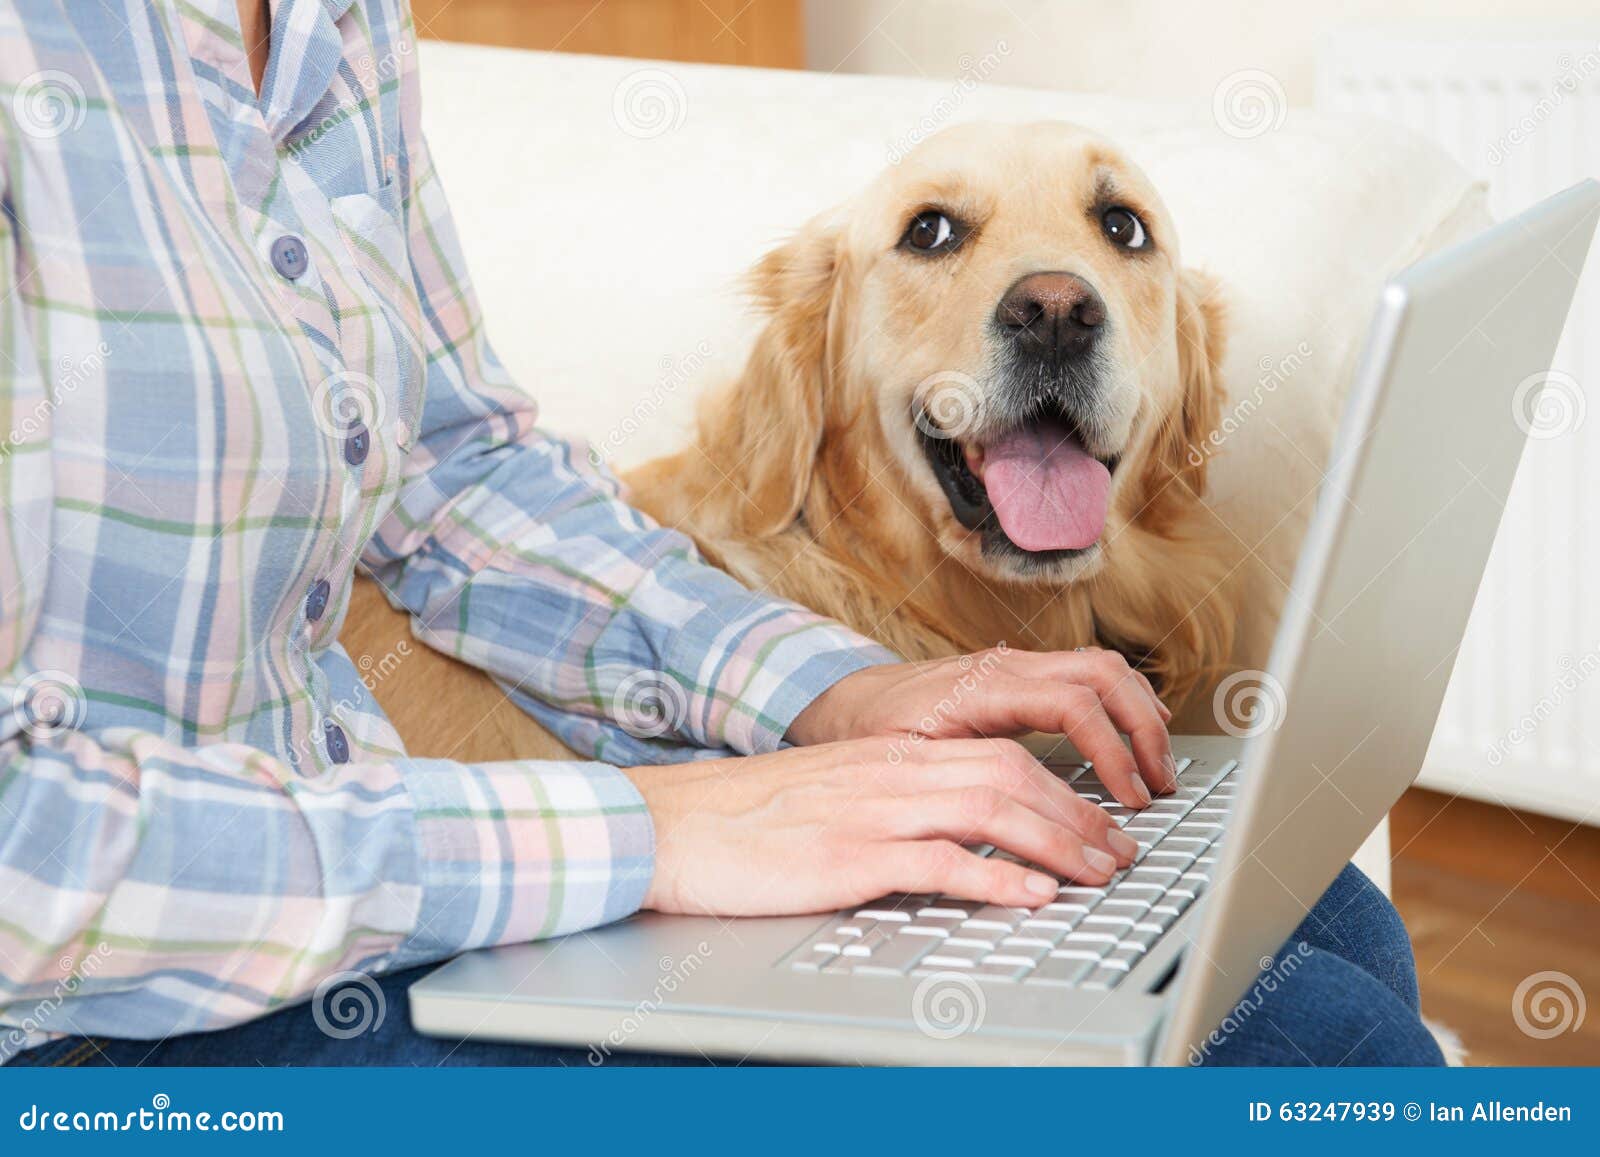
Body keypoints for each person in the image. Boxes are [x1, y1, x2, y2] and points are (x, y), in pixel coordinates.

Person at [0, 0, 1441, 1067]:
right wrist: (656, 830)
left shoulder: (334, 25)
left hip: (353, 890)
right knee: (1302, 1043)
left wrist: (829, 690)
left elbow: (454, 467)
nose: (1047, 294)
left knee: (1326, 931)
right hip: (100, 1025)